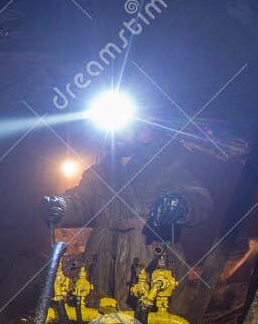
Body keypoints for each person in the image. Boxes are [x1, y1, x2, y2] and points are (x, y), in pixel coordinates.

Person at [42, 126, 213, 306]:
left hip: (150, 258)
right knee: (98, 317)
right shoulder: (99, 173)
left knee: (149, 318)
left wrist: (182, 202)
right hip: (100, 263)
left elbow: (200, 198)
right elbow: (81, 200)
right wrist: (61, 205)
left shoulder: (167, 167)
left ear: (145, 132)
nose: (118, 133)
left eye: (126, 129)